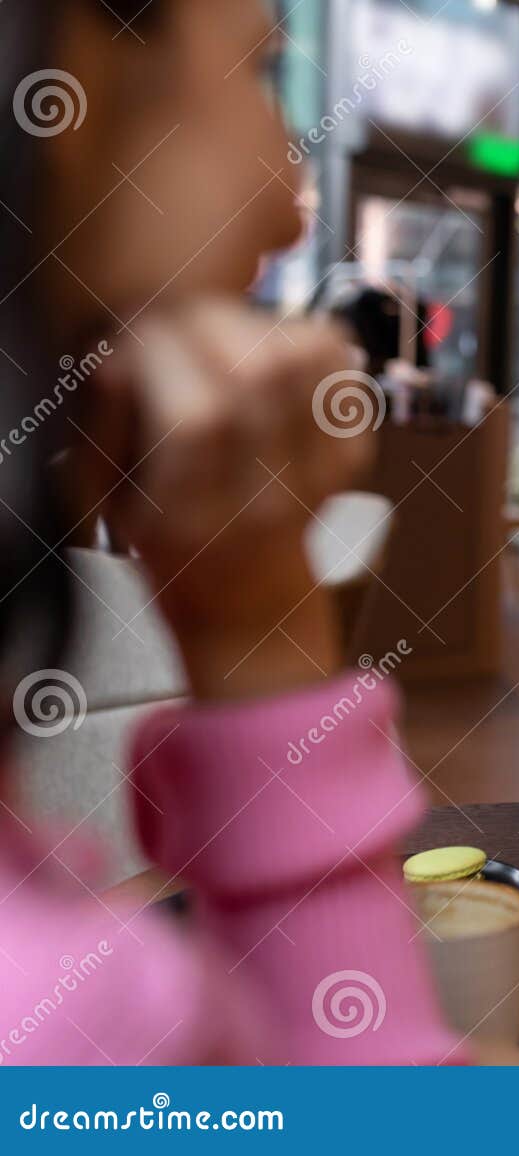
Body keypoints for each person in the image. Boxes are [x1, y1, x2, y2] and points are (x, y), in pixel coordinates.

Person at [0, 0, 463, 1063]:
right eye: (261, 69)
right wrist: (271, 653)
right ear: (71, 74)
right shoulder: (75, 1011)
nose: (287, 210)